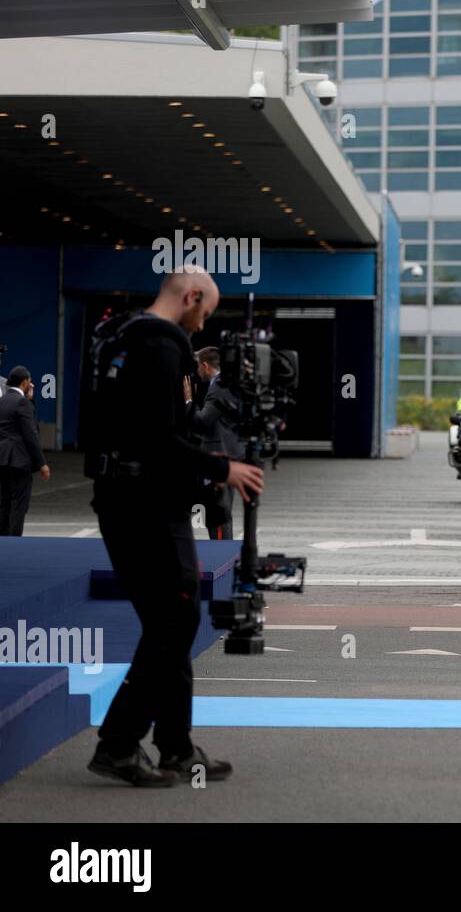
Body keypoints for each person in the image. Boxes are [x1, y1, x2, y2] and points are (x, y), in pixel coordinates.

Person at [82, 266, 264, 787]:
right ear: (190, 296)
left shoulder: (116, 337)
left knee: (173, 621)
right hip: (147, 505)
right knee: (173, 623)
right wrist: (222, 468)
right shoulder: (162, 347)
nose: (202, 326)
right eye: (204, 312)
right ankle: (119, 744)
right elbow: (158, 440)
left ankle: (176, 747)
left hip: (124, 498)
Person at [185, 346, 242, 540]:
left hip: (219, 456)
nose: (196, 373)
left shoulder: (218, 387)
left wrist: (188, 401)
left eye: (197, 368)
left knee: (218, 513)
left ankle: (222, 553)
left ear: (205, 365)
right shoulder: (224, 384)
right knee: (219, 511)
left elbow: (201, 422)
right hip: (226, 453)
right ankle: (223, 550)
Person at [0, 366, 50, 536]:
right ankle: (15, 542)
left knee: (4, 503)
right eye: (29, 381)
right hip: (18, 461)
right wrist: (42, 463)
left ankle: (3, 542)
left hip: (2, 460)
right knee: (19, 505)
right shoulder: (22, 403)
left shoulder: (2, 401)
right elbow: (31, 434)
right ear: (24, 382)